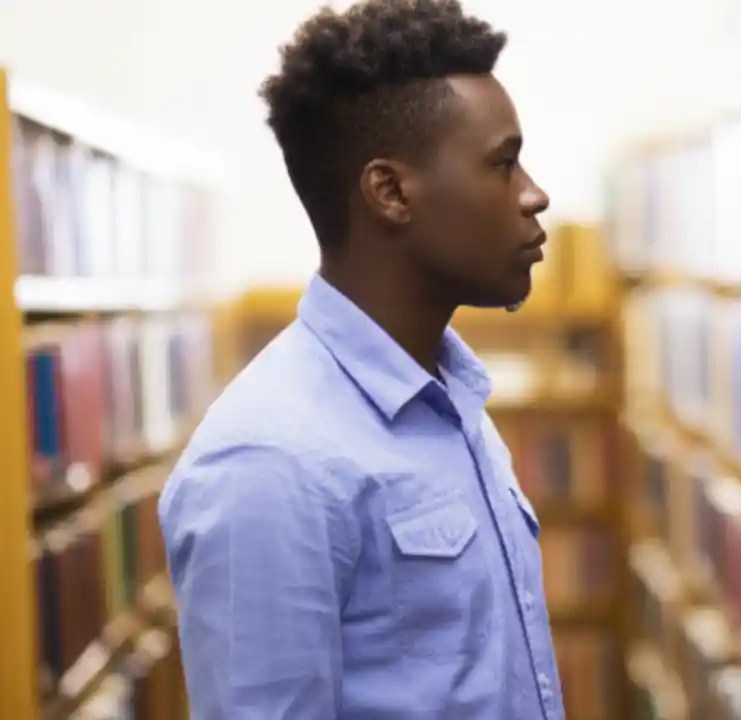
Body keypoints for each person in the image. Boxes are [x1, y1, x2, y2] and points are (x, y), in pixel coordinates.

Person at [157, 1, 559, 717]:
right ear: (390, 192)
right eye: (503, 163)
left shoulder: (452, 401)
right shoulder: (268, 461)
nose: (535, 194)